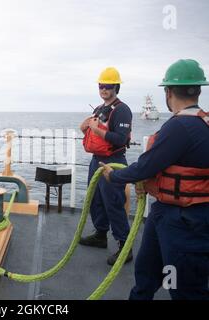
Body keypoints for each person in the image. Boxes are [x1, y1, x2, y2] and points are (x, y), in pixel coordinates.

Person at [101, 59, 209, 300]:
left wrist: (114, 176)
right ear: (199, 90)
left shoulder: (180, 127)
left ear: (168, 92)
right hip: (169, 214)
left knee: (187, 290)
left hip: (182, 222)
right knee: (147, 272)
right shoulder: (203, 124)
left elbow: (145, 167)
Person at [79, 67, 133, 265]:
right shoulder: (99, 109)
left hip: (113, 161)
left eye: (108, 86)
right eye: (101, 85)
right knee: (96, 199)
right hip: (96, 160)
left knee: (113, 203)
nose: (103, 89)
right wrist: (84, 127)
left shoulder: (122, 110)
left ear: (116, 87)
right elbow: (91, 132)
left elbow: (119, 139)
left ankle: (124, 246)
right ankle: (100, 234)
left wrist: (96, 130)